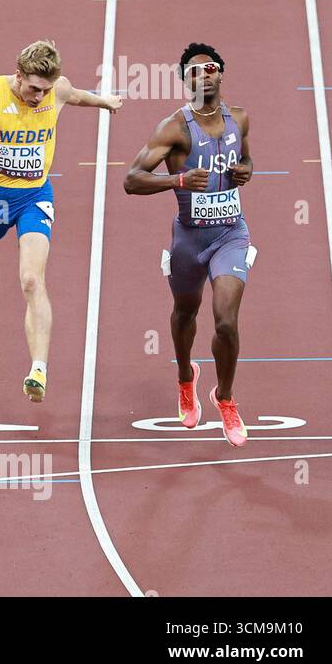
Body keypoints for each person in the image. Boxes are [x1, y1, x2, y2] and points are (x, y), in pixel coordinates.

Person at [0, 41, 122, 401]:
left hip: (36, 196)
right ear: (18, 76)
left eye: (46, 90)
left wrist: (104, 101)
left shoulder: (57, 90)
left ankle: (38, 369)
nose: (39, 96)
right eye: (34, 88)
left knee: (32, 280)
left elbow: (78, 95)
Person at [123, 43, 252, 446]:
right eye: (195, 71)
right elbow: (131, 179)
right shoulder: (174, 129)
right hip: (189, 238)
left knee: (226, 319)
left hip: (231, 233)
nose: (204, 75)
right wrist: (176, 180)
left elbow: (246, 160)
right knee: (184, 312)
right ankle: (185, 377)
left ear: (221, 74)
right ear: (185, 81)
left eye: (211, 68)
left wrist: (246, 170)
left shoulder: (240, 120)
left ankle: (225, 398)